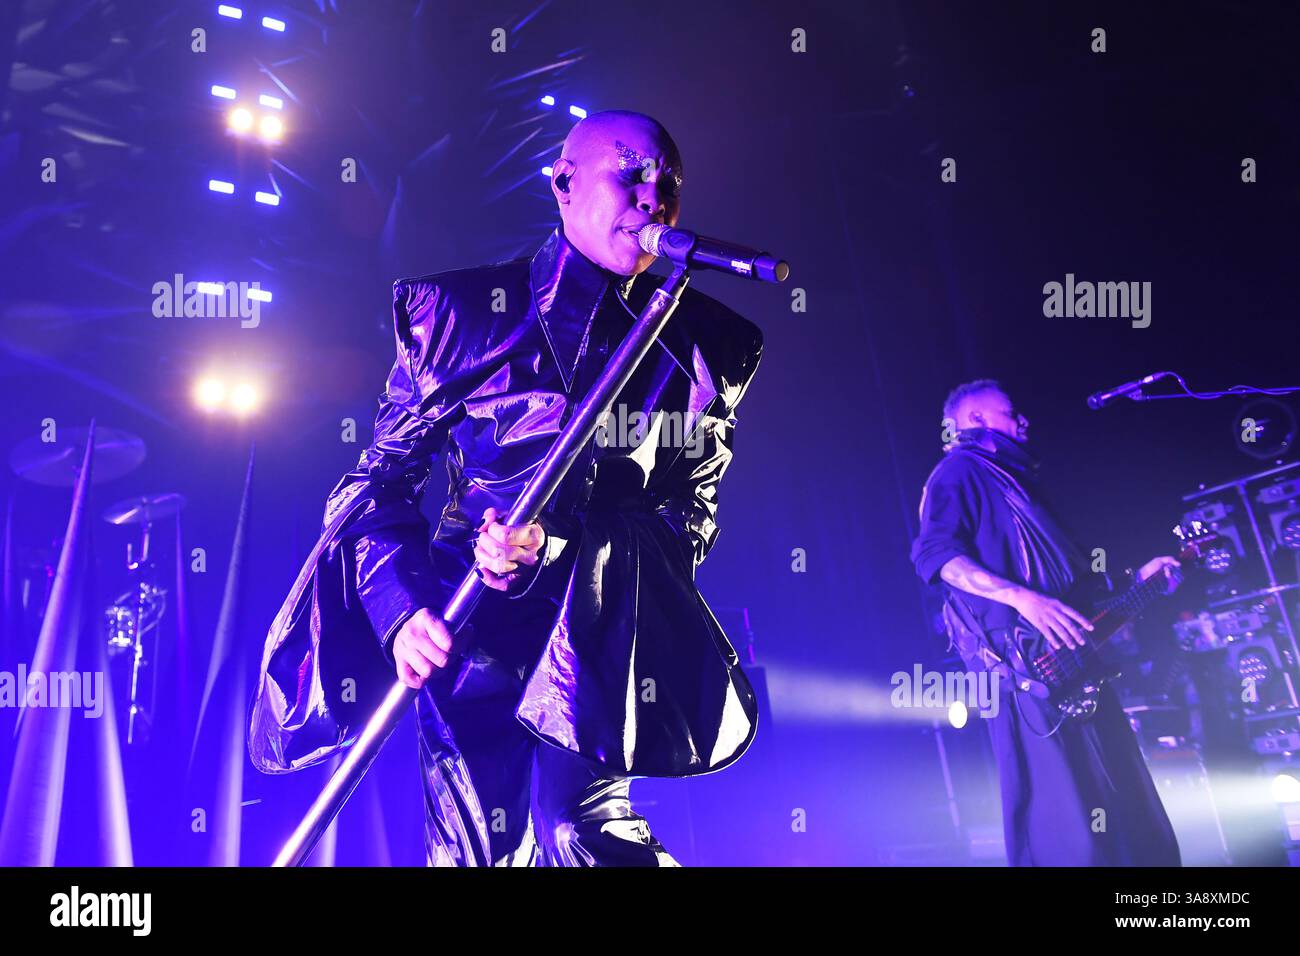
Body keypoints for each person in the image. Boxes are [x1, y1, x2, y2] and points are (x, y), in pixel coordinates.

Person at [249, 110, 765, 866]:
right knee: (483, 851)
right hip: (469, 627)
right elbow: (375, 485)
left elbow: (689, 519)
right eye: (631, 172)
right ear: (563, 183)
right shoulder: (461, 316)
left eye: (670, 181)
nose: (654, 195)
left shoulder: (708, 347)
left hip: (595, 626)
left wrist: (559, 547)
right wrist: (403, 612)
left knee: (578, 831)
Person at [910, 379, 1182, 866]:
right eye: (1010, 411)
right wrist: (1023, 600)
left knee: (1126, 806)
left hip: (1077, 663)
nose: (1023, 420)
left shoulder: (1015, 482)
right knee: (1065, 819)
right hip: (1026, 673)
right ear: (976, 420)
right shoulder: (959, 472)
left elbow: (1073, 584)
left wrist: (1137, 578)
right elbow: (937, 557)